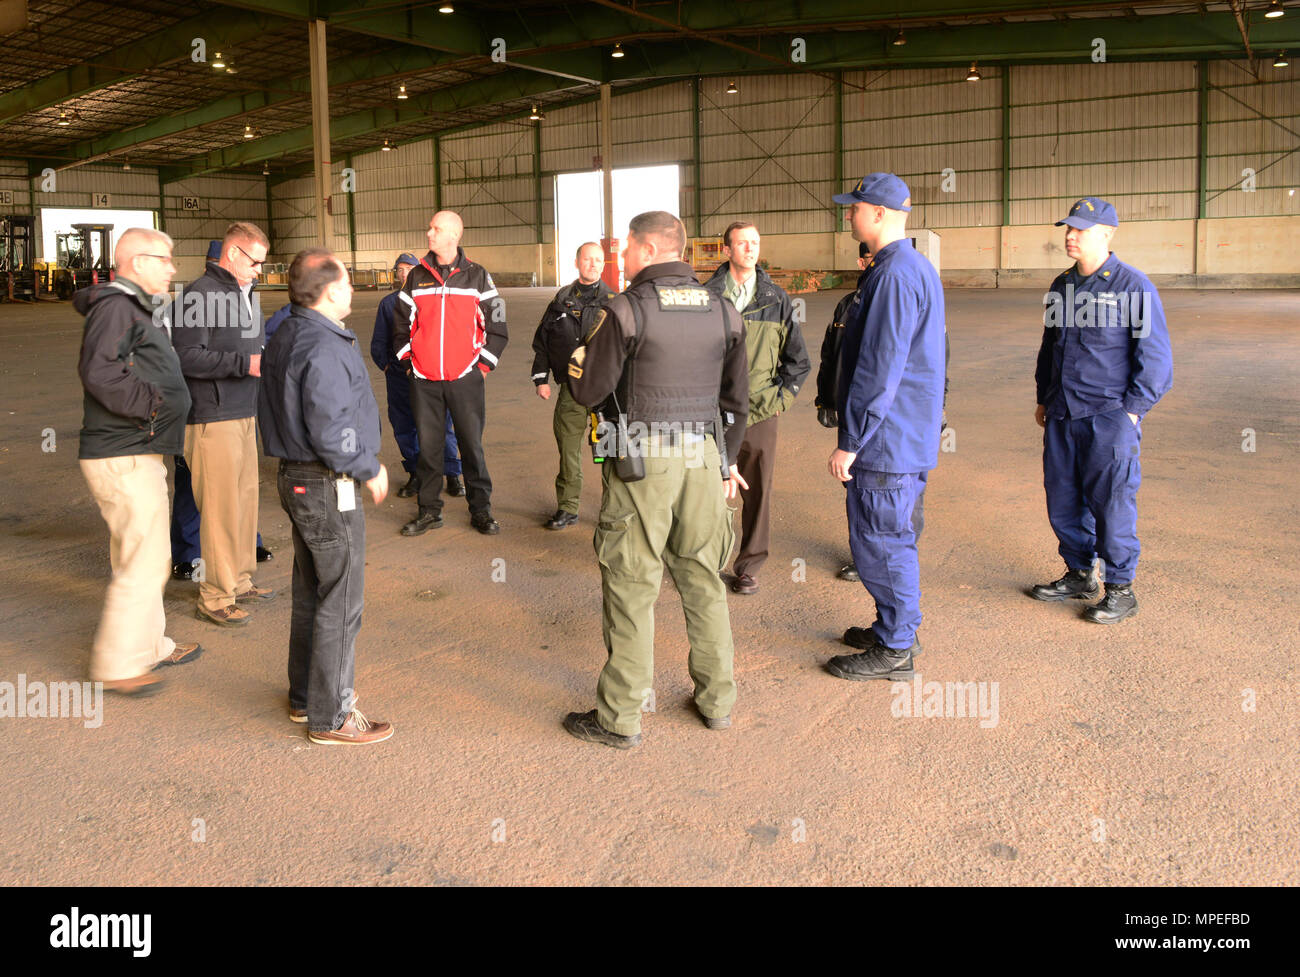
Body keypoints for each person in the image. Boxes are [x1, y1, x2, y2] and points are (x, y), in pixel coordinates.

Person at [562, 211, 750, 749]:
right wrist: (725, 461)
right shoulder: (722, 309)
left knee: (631, 584)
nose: (621, 257)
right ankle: (717, 702)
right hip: (704, 459)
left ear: (646, 248)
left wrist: (576, 360)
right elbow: (738, 402)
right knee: (703, 581)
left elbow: (589, 391)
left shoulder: (624, 310)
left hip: (641, 460)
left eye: (625, 248)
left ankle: (620, 717)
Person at [258, 247, 393, 745]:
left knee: (313, 592)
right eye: (349, 283)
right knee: (341, 599)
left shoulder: (290, 330)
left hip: (298, 479)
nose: (353, 290)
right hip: (324, 482)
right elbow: (332, 432)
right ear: (332, 290)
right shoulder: (322, 345)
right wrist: (369, 467)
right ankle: (331, 716)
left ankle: (305, 699)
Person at [824, 174, 945, 682]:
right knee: (890, 537)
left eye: (854, 208)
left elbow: (879, 368)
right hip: (905, 434)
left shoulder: (893, 276)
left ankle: (896, 648)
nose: (849, 215)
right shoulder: (909, 267)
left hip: (885, 443)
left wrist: (851, 442)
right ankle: (893, 626)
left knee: (882, 541)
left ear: (877, 212)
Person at [1029, 197, 1172, 623]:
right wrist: (1043, 395)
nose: (1071, 236)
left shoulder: (1133, 286)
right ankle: (1079, 573)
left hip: (1108, 415)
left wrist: (1133, 410)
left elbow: (1156, 357)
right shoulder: (1062, 286)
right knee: (1064, 498)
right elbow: (1049, 347)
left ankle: (1121, 588)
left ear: (1107, 234)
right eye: (1068, 229)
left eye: (1081, 230)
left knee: (1112, 503)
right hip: (1062, 411)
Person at [76, 228, 202, 695]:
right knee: (145, 560)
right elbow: (100, 372)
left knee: (143, 554)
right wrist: (153, 407)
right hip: (122, 450)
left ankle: (150, 645)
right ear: (136, 262)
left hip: (137, 449)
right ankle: (118, 665)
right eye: (164, 259)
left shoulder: (133, 307)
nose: (172, 267)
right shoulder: (116, 307)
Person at [817, 242, 950, 585]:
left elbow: (908, 363)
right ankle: (878, 575)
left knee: (892, 520)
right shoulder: (852, 303)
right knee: (873, 515)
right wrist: (827, 400)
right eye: (865, 259)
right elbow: (833, 358)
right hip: (869, 420)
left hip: (891, 428)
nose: (869, 263)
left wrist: (850, 440)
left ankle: (897, 627)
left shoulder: (895, 283)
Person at [171, 222, 275, 627]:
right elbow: (185, 356)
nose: (258, 271)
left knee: (245, 503)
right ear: (232, 254)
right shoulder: (200, 295)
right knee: (218, 511)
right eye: (254, 262)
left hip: (244, 412)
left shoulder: (245, 295)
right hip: (212, 418)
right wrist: (243, 364)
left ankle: (240, 579)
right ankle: (215, 596)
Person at [704, 221, 809, 595]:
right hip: (715, 414)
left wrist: (778, 400)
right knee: (707, 488)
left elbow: (798, 362)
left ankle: (748, 566)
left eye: (755, 242)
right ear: (727, 249)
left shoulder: (776, 299)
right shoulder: (708, 297)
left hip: (762, 413)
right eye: (742, 243)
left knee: (758, 489)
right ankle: (705, 560)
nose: (750, 248)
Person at [392, 211, 508, 536]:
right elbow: (400, 326)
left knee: (471, 446)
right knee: (429, 448)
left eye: (436, 228)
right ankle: (429, 511)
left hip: (465, 381)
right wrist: (410, 365)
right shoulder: (416, 276)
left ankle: (481, 510)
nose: (429, 232)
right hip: (424, 382)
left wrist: (480, 369)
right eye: (430, 226)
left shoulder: (478, 276)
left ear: (453, 236)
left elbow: (497, 327)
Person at [530, 241, 616, 529]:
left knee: (609, 452)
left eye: (598, 260)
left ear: (603, 264)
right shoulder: (561, 299)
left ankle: (613, 511)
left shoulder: (615, 300)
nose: (593, 264)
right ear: (577, 262)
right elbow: (543, 341)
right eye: (587, 259)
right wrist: (541, 377)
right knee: (568, 450)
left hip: (607, 392)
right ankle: (568, 507)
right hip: (572, 390)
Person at [369, 252, 463, 500]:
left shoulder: (432, 299)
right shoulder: (388, 303)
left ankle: (452, 473)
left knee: (442, 424)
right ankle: (416, 473)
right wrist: (389, 368)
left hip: (431, 375)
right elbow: (379, 342)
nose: (403, 273)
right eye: (399, 269)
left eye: (408, 268)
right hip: (400, 377)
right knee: (405, 425)